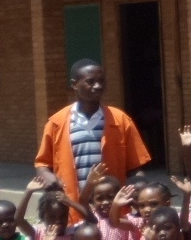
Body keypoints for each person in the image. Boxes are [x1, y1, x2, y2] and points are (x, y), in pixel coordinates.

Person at [34, 60, 152, 205]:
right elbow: (42, 164)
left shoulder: (120, 120)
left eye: (101, 81)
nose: (98, 86)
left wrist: (142, 190)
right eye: (90, 81)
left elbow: (135, 168)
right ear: (74, 84)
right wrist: (46, 176)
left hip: (112, 209)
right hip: (73, 207)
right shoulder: (57, 123)